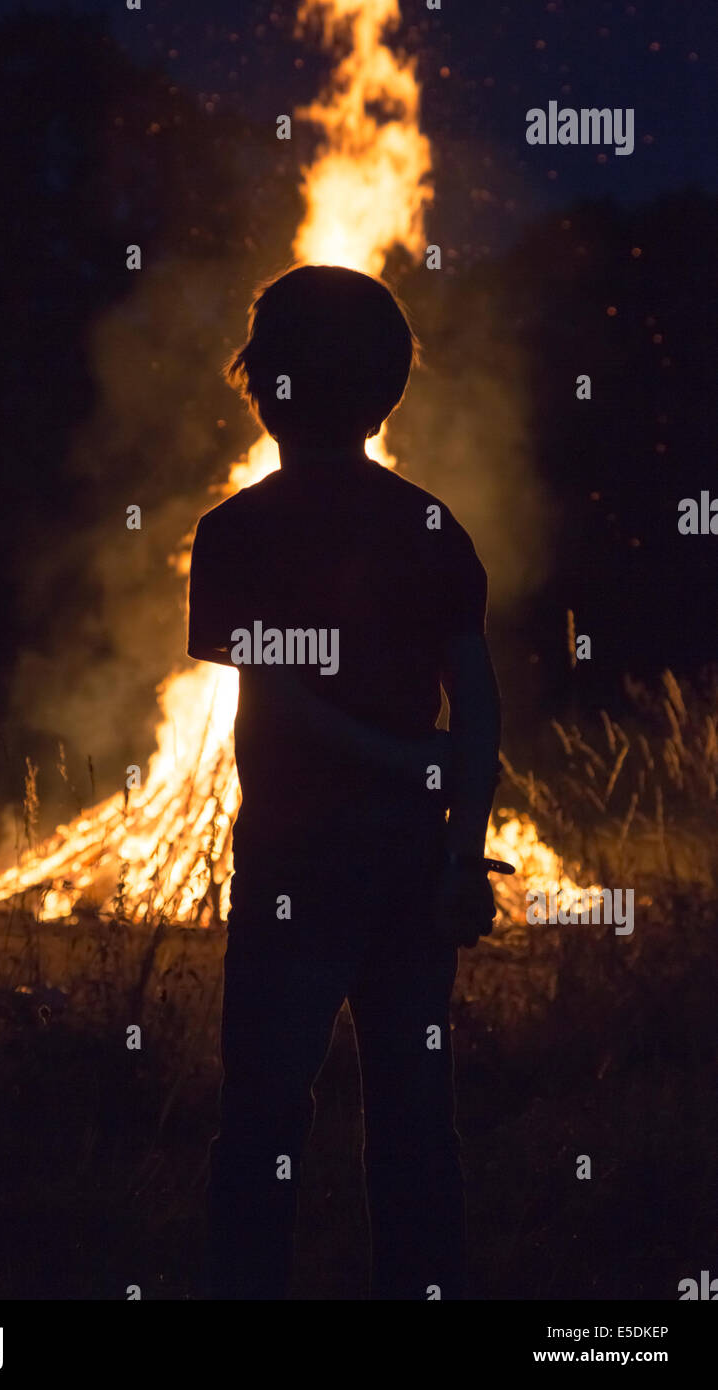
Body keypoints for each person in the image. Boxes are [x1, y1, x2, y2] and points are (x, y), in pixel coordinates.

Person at [188, 264, 501, 1300]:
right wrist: (459, 842)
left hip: (291, 866)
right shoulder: (432, 527)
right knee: (416, 1117)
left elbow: (274, 703)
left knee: (264, 1118)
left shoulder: (235, 531)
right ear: (388, 396)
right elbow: (478, 708)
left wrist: (402, 768)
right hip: (411, 861)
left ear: (261, 388)